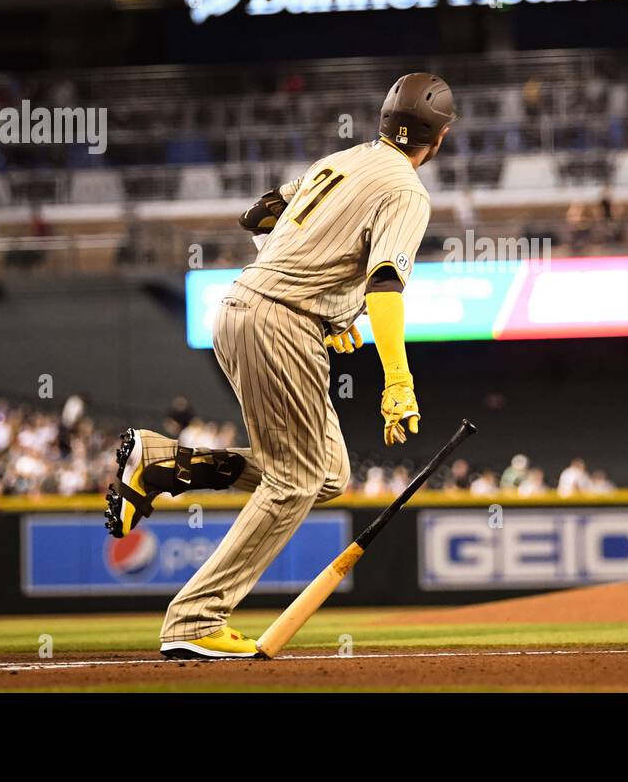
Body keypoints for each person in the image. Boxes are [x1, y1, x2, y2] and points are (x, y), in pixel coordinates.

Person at [104, 73, 456, 659]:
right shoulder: (407, 191)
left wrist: (325, 301)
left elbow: (259, 215)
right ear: (438, 139)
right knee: (294, 480)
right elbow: (386, 283)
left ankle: (166, 465)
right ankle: (194, 620)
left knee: (327, 476)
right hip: (279, 321)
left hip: (244, 306)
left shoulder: (344, 159)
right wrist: (398, 380)